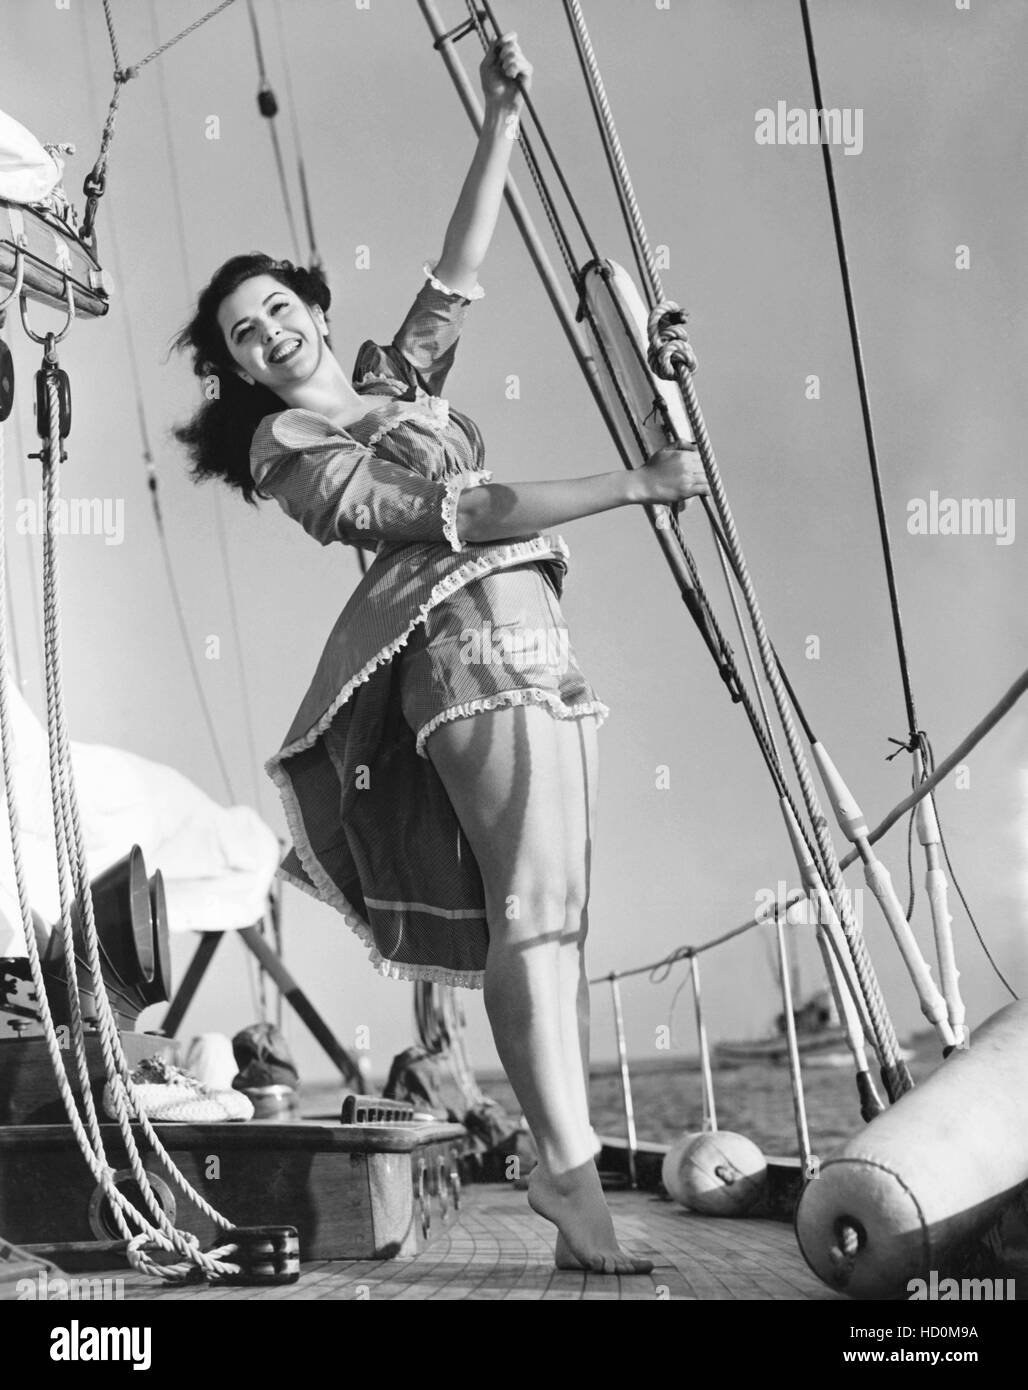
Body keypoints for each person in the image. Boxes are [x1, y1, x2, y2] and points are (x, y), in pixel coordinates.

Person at [174, 32, 708, 1274]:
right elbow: (445, 515)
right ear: (240, 373)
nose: (269, 338)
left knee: (560, 921)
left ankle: (566, 1181)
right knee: (530, 919)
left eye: (277, 311)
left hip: (532, 627)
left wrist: (501, 114)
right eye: (244, 340)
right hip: (456, 642)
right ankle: (570, 1193)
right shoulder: (287, 449)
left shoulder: (384, 380)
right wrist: (633, 481)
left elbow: (457, 269)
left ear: (311, 302)